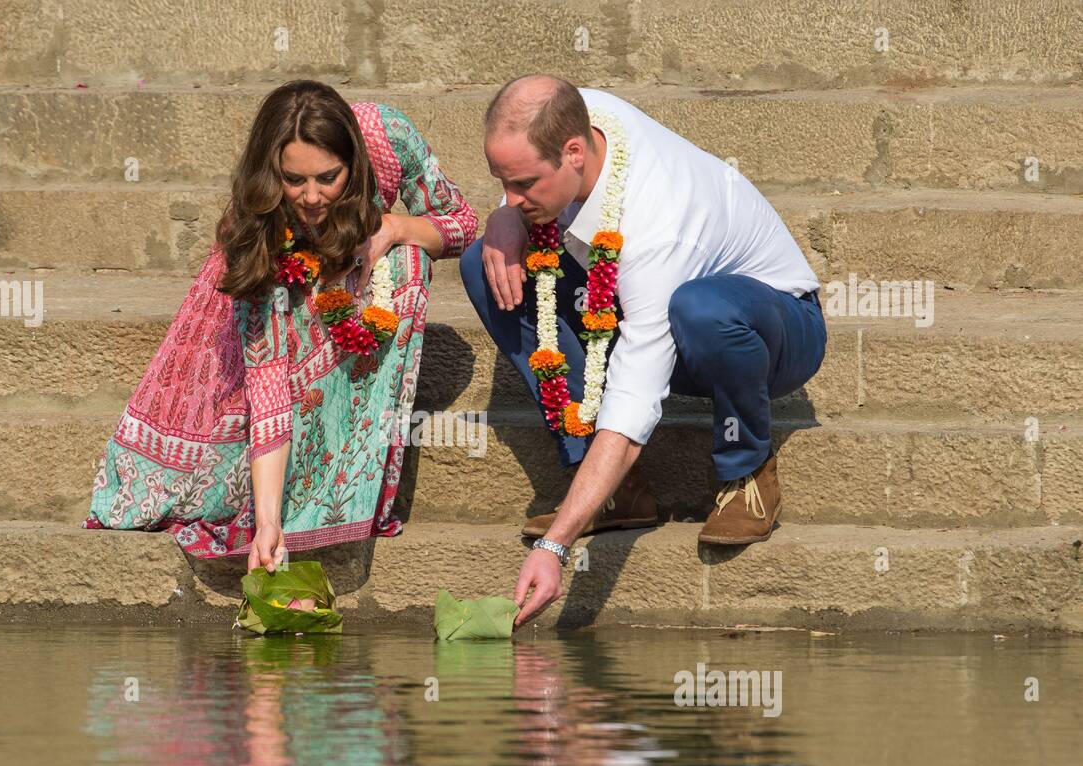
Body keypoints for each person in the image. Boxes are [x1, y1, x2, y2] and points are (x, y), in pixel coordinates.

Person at [459, 75, 826, 625]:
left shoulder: (660, 227)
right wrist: (503, 218)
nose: (512, 197)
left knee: (698, 308)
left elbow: (632, 405)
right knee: (483, 263)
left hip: (775, 328)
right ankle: (615, 492)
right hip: (660, 311)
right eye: (501, 182)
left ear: (574, 154)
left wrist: (556, 547)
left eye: (525, 185)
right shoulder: (585, 113)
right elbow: (516, 185)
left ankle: (747, 468)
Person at [84, 80, 478, 572]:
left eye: (328, 178)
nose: (312, 198)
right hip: (285, 288)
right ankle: (296, 500)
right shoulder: (256, 227)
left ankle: (353, 480)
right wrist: (267, 521)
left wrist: (396, 228)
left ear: (354, 162)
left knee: (407, 269)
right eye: (295, 181)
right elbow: (267, 376)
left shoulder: (388, 136)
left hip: (359, 275)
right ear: (272, 174)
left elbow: (462, 223)